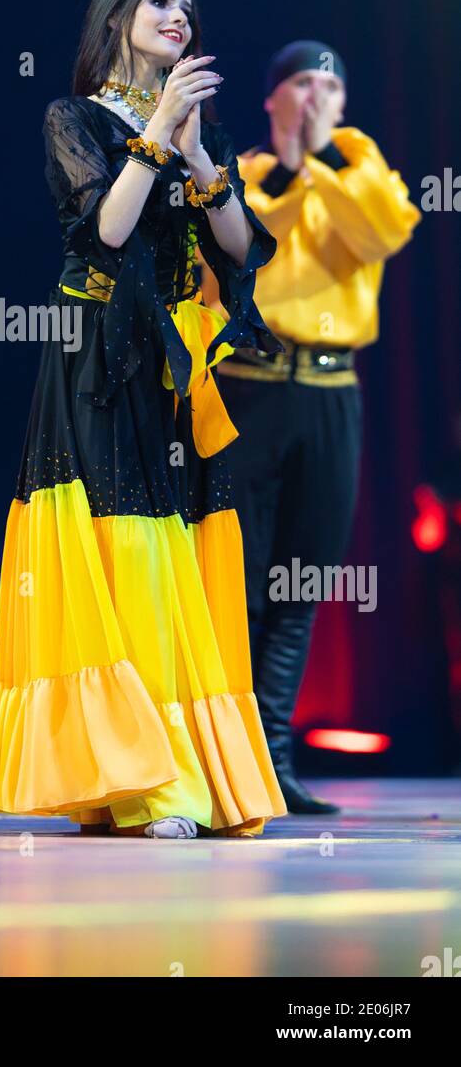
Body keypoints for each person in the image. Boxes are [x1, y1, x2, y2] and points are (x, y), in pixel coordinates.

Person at [0, 0, 287, 838]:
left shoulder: (197, 132)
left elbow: (241, 248)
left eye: (188, 5)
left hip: (171, 362)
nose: (179, 15)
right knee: (124, 548)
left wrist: (191, 150)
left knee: (175, 550)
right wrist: (154, 138)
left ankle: (169, 767)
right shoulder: (72, 116)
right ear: (117, 18)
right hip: (96, 352)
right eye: (160, 1)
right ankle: (141, 781)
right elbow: (106, 229)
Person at [201, 40, 421, 813]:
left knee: (303, 577)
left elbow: (384, 232)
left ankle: (277, 758)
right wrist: (296, 164)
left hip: (331, 392)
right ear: (271, 98)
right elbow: (244, 249)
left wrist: (326, 155)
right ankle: (231, 760)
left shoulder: (364, 171)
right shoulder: (247, 175)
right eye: (301, 81)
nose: (316, 94)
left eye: (330, 83)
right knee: (243, 578)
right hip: (250, 389)